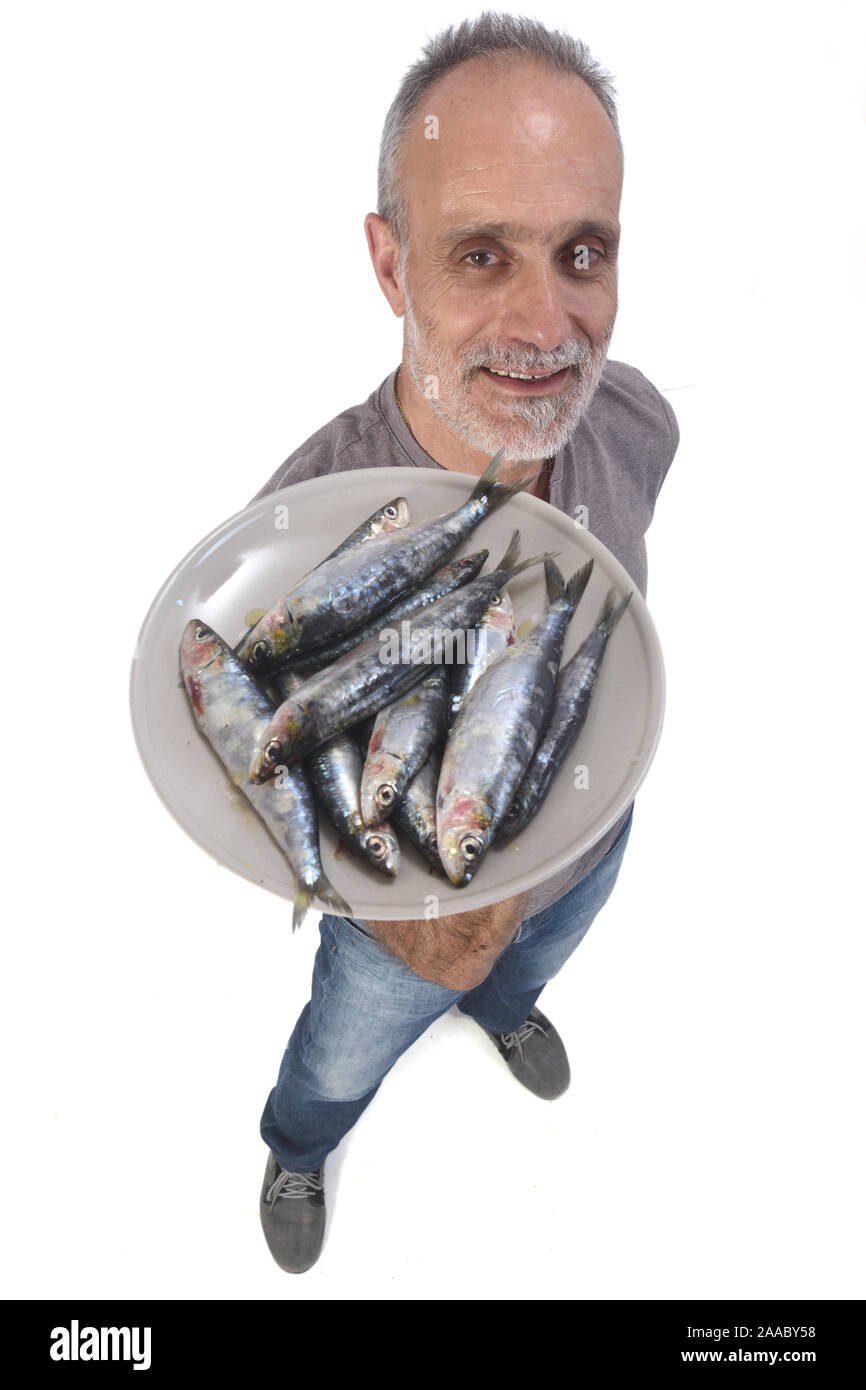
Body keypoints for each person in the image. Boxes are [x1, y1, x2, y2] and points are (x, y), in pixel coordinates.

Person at [250, 12, 680, 1273]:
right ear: (391, 268)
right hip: (392, 931)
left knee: (533, 953)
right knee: (342, 1046)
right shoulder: (298, 538)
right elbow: (270, 777)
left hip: (593, 847)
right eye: (480, 254)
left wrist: (512, 923)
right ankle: (295, 1145)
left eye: (581, 252)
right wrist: (425, 927)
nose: (546, 326)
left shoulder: (636, 425)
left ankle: (505, 1005)